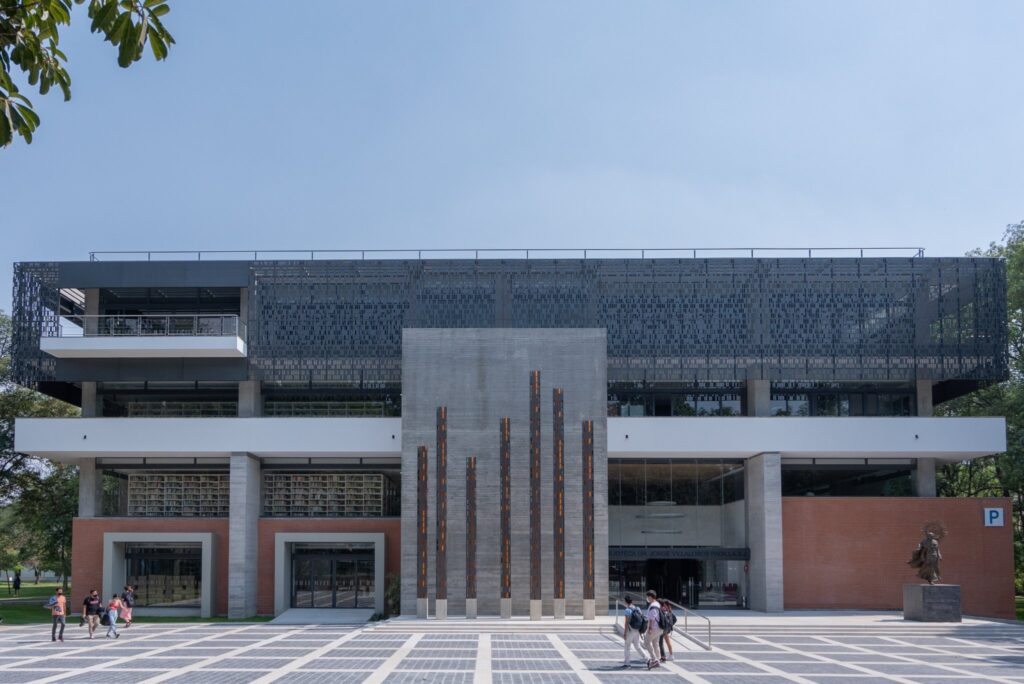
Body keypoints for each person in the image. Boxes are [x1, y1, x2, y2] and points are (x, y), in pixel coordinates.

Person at [621, 596, 647, 668]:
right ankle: (647, 659)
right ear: (631, 601)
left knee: (627, 646)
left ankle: (627, 663)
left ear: (626, 602)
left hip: (630, 630)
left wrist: (625, 633)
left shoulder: (627, 610)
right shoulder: (637, 608)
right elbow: (642, 618)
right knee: (637, 646)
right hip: (637, 630)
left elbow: (626, 623)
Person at [642, 589, 662, 669]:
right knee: (655, 643)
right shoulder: (657, 604)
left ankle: (654, 659)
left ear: (651, 597)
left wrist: (650, 629)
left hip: (654, 628)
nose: (647, 598)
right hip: (658, 628)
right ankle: (658, 659)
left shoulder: (653, 606)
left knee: (646, 643)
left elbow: (652, 619)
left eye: (648, 597)